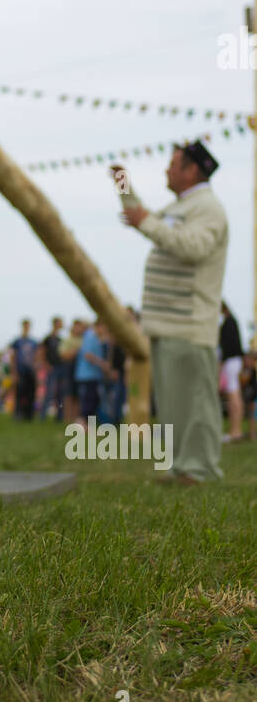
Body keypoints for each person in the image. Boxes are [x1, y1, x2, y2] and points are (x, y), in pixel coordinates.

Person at [112, 141, 229, 485]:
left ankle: (201, 469)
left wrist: (146, 221)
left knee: (196, 405)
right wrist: (122, 186)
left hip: (190, 323)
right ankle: (181, 467)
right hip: (169, 323)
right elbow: (145, 218)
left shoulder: (208, 208)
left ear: (191, 169)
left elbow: (193, 247)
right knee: (175, 405)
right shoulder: (186, 206)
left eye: (173, 163)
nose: (167, 169)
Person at [73, 320, 111, 424]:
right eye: (104, 327)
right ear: (98, 326)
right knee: (88, 401)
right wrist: (103, 364)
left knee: (94, 399)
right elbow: (87, 355)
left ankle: (86, 423)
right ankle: (81, 423)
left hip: (93, 376)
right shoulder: (90, 337)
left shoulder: (95, 338)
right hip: (87, 376)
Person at [218, 301, 244, 443]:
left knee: (233, 396)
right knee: (235, 396)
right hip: (235, 361)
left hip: (231, 362)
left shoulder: (228, 323)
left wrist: (220, 366)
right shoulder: (232, 321)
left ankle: (235, 431)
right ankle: (236, 430)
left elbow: (226, 348)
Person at [9, 319, 38, 420]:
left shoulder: (33, 342)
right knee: (19, 393)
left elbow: (36, 356)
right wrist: (14, 372)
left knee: (30, 393)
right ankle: (18, 413)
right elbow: (13, 357)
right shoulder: (17, 341)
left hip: (30, 371)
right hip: (21, 370)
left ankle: (29, 414)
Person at [41, 317, 66, 420]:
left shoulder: (61, 339)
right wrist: (46, 365)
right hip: (52, 368)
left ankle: (59, 417)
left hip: (61, 368)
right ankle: (43, 416)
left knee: (60, 393)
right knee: (50, 392)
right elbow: (42, 351)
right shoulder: (48, 338)